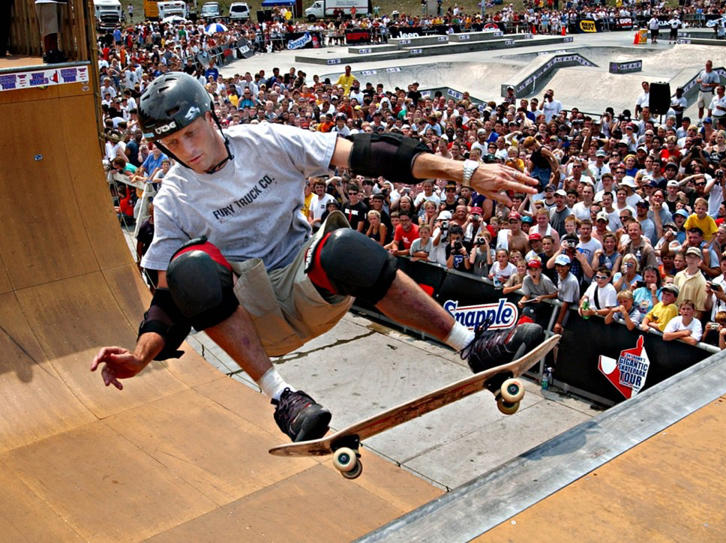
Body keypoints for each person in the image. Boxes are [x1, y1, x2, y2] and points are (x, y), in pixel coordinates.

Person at [90, 72, 542, 443]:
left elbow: (367, 152)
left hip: (310, 286)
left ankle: (471, 345)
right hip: (250, 316)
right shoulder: (174, 199)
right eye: (172, 144)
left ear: (211, 116)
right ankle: (284, 399)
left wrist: (464, 171)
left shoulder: (265, 142)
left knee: (345, 245)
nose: (187, 151)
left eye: (191, 134)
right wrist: (141, 356)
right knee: (188, 266)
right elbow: (170, 299)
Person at [553, 254, 580, 334]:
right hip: (560, 305)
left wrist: (559, 322)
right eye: (558, 266)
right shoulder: (559, 274)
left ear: (568, 267)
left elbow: (567, 302)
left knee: (559, 331)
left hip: (570, 310)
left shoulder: (571, 281)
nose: (560, 268)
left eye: (563, 266)